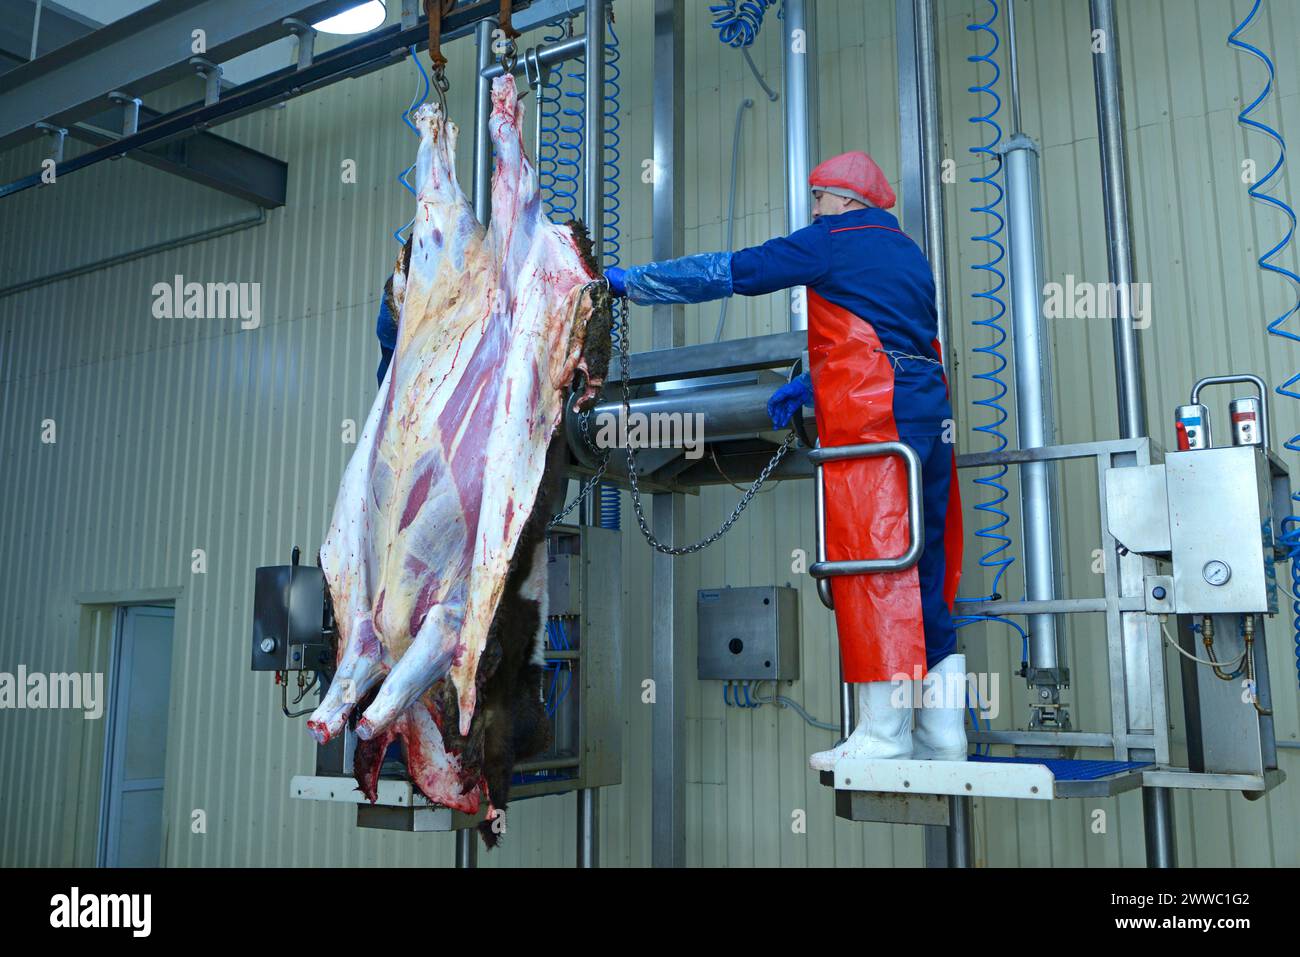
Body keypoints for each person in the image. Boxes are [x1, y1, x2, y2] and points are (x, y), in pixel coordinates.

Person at [607, 151, 966, 769]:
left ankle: (884, 736)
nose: (815, 209)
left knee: (873, 560)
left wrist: (629, 283)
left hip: (873, 414)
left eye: (820, 198)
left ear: (843, 199)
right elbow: (892, 332)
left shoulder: (832, 239)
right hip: (928, 413)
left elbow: (734, 271)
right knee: (925, 564)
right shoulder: (908, 251)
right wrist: (808, 385)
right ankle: (944, 734)